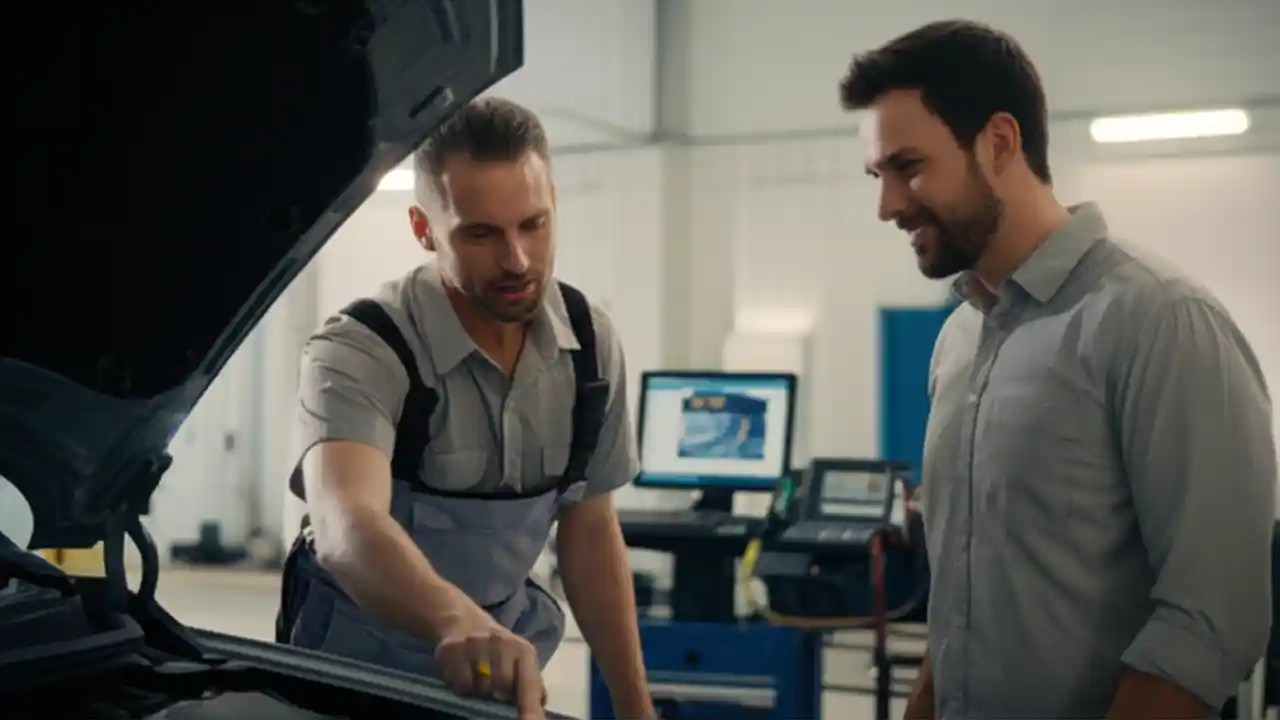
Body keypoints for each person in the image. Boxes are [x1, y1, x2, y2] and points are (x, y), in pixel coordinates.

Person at [840, 19, 1274, 720]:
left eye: (908, 167)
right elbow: (961, 608)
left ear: (999, 143)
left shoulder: (1161, 322)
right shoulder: (958, 341)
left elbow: (1210, 620)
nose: (887, 205)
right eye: (877, 175)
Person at [275, 97, 655, 720]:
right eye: (481, 234)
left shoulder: (589, 345)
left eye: (533, 225)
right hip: (353, 672)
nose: (517, 260)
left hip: (496, 673)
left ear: (554, 205)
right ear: (423, 229)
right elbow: (346, 523)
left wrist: (635, 706)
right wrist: (456, 619)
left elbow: (589, 532)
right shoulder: (362, 348)